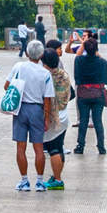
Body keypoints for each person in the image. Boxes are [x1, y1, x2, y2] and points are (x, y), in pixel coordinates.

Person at [4, 39, 55, 193]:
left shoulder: (19, 67)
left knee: (21, 147)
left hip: (20, 108)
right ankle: (39, 182)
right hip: (37, 110)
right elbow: (47, 99)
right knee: (39, 147)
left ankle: (24, 181)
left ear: (26, 53)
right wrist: (46, 118)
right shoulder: (45, 73)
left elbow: (7, 85)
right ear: (41, 55)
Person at [39, 49, 72, 190]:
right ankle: (57, 176)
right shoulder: (64, 74)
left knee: (53, 149)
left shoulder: (46, 76)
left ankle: (58, 180)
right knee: (59, 146)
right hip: (64, 114)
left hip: (53, 117)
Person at [72, 36, 107, 155]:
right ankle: (101, 146)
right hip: (98, 94)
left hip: (83, 94)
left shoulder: (78, 60)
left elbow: (76, 78)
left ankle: (80, 145)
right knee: (98, 121)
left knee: (83, 120)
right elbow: (105, 80)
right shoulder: (103, 62)